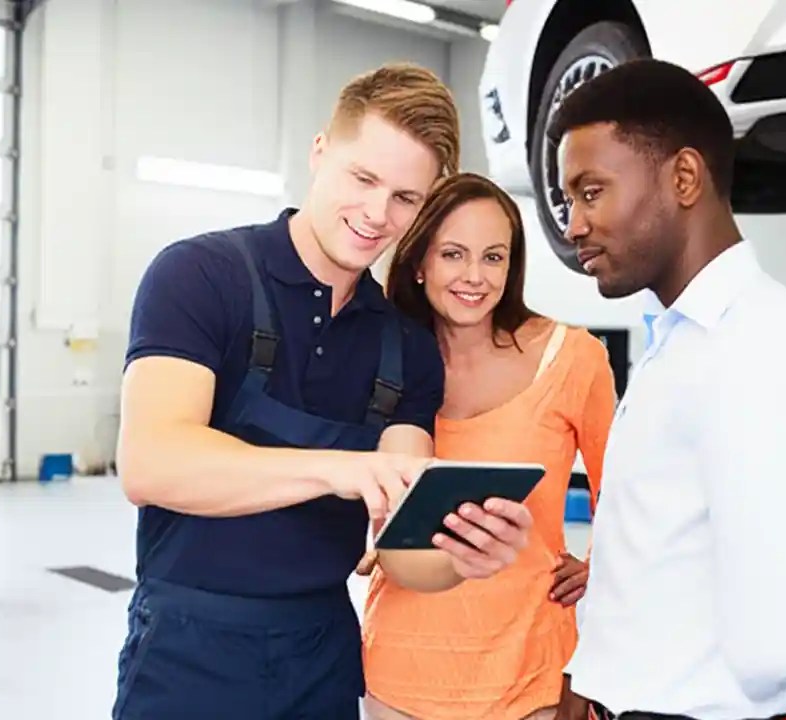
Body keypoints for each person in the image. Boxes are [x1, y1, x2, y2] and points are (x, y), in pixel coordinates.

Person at [113, 63, 536, 720]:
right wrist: (345, 469)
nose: (376, 214)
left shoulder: (406, 347)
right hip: (187, 650)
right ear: (319, 153)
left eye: (405, 198)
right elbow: (152, 463)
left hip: (322, 658)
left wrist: (466, 552)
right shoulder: (199, 276)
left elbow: (404, 544)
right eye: (363, 178)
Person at [548, 59, 786, 720]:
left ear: (684, 177)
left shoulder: (760, 346)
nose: (573, 223)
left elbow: (779, 642)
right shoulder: (683, 340)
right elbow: (656, 549)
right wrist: (591, 675)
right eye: (569, 199)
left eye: (591, 190)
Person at [357, 172, 617, 720]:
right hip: (402, 663)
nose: (474, 277)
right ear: (420, 262)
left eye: (493, 257)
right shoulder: (384, 363)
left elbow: (623, 491)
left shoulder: (573, 358)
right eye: (453, 254)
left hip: (527, 666)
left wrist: (600, 564)